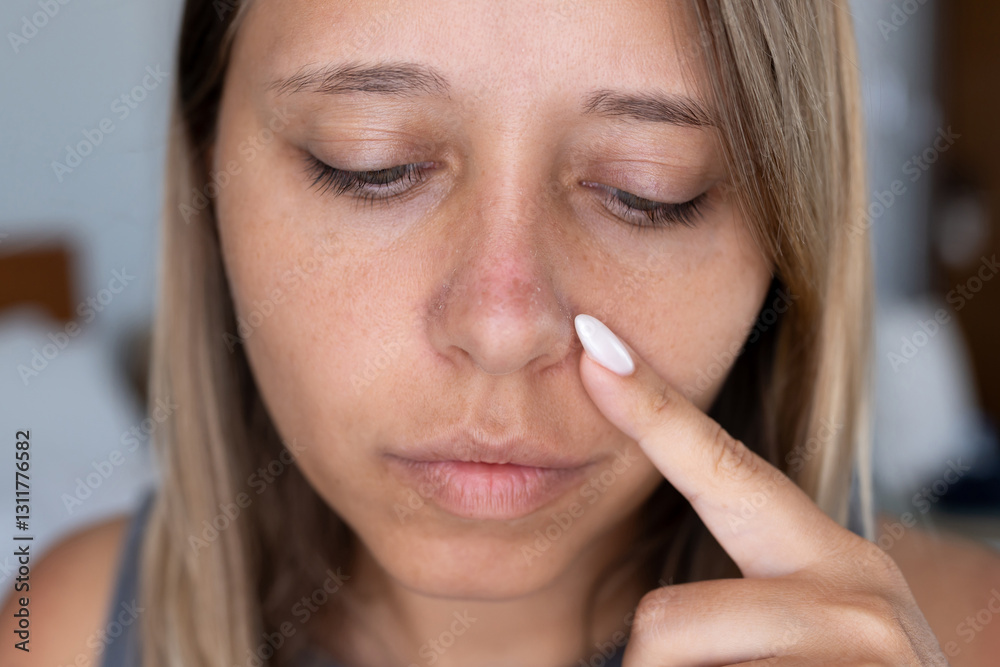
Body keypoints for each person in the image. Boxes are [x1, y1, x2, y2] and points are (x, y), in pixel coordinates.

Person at [6, 1, 1000, 665]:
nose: (501, 324)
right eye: (369, 165)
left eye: (646, 191)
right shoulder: (64, 629)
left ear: (786, 232)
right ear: (204, 174)